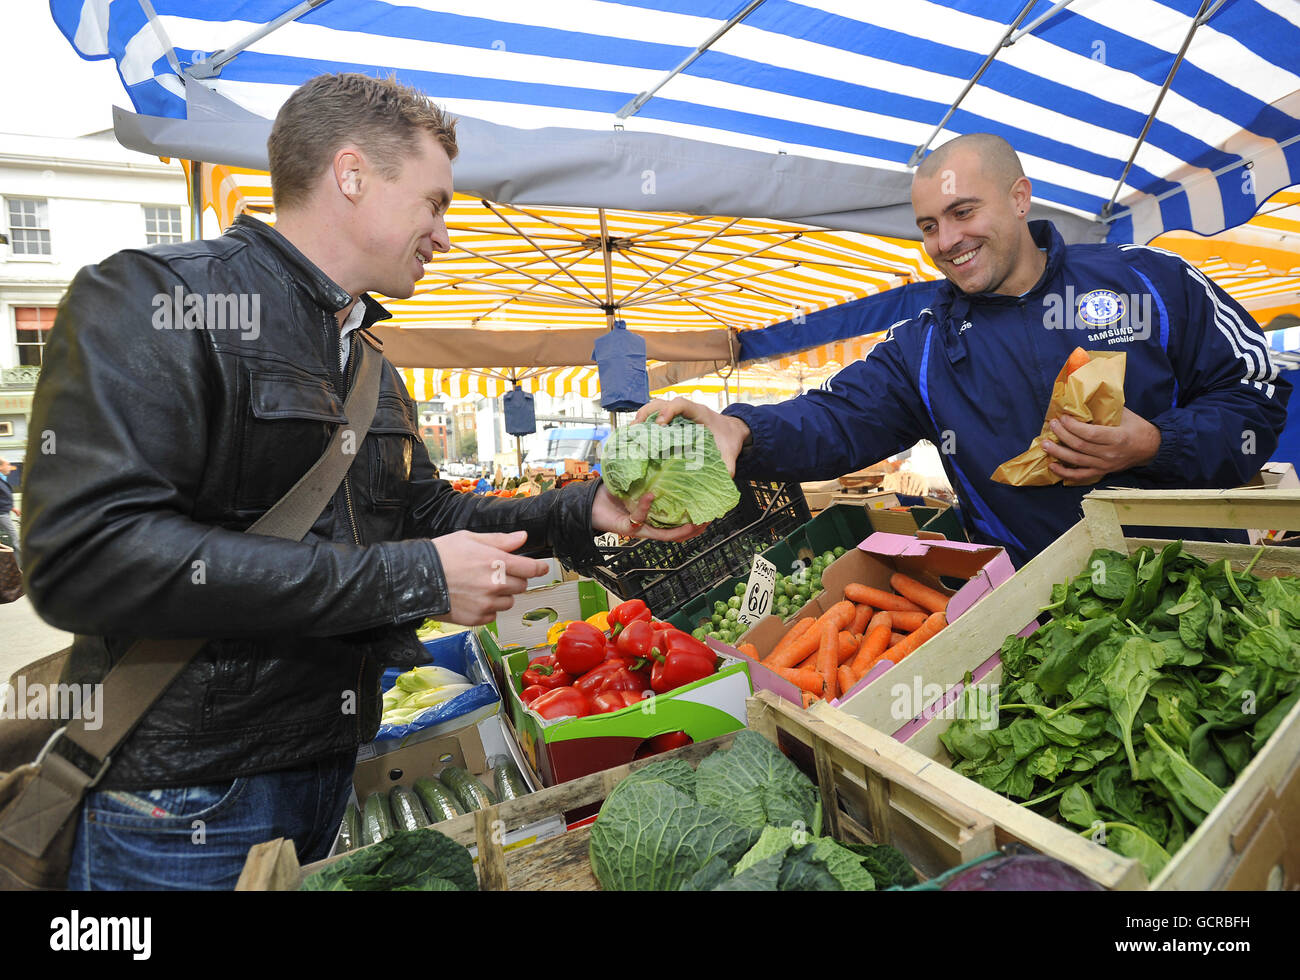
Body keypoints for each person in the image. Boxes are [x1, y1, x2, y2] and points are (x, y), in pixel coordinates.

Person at [19, 72, 702, 890]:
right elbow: (87, 557)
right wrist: (413, 576)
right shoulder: (157, 297)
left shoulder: (367, 360)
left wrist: (587, 507)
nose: (444, 235)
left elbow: (426, 513)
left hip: (326, 765)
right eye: (435, 202)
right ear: (351, 174)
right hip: (182, 794)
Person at [637, 133, 1290, 567]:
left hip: (1200, 584)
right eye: (928, 226)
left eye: (963, 213)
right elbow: (833, 421)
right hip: (1045, 618)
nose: (946, 240)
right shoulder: (924, 347)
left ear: (1019, 197)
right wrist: (739, 427)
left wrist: (1155, 442)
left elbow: (1257, 394)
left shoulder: (1148, 278)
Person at [0, 457, 18, 567]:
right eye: (8, 465)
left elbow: (2, 497)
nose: (10, 468)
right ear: (0, 466)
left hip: (4, 512)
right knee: (16, 540)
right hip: (1, 514)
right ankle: (21, 567)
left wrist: (12, 507)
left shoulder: (2, 479)